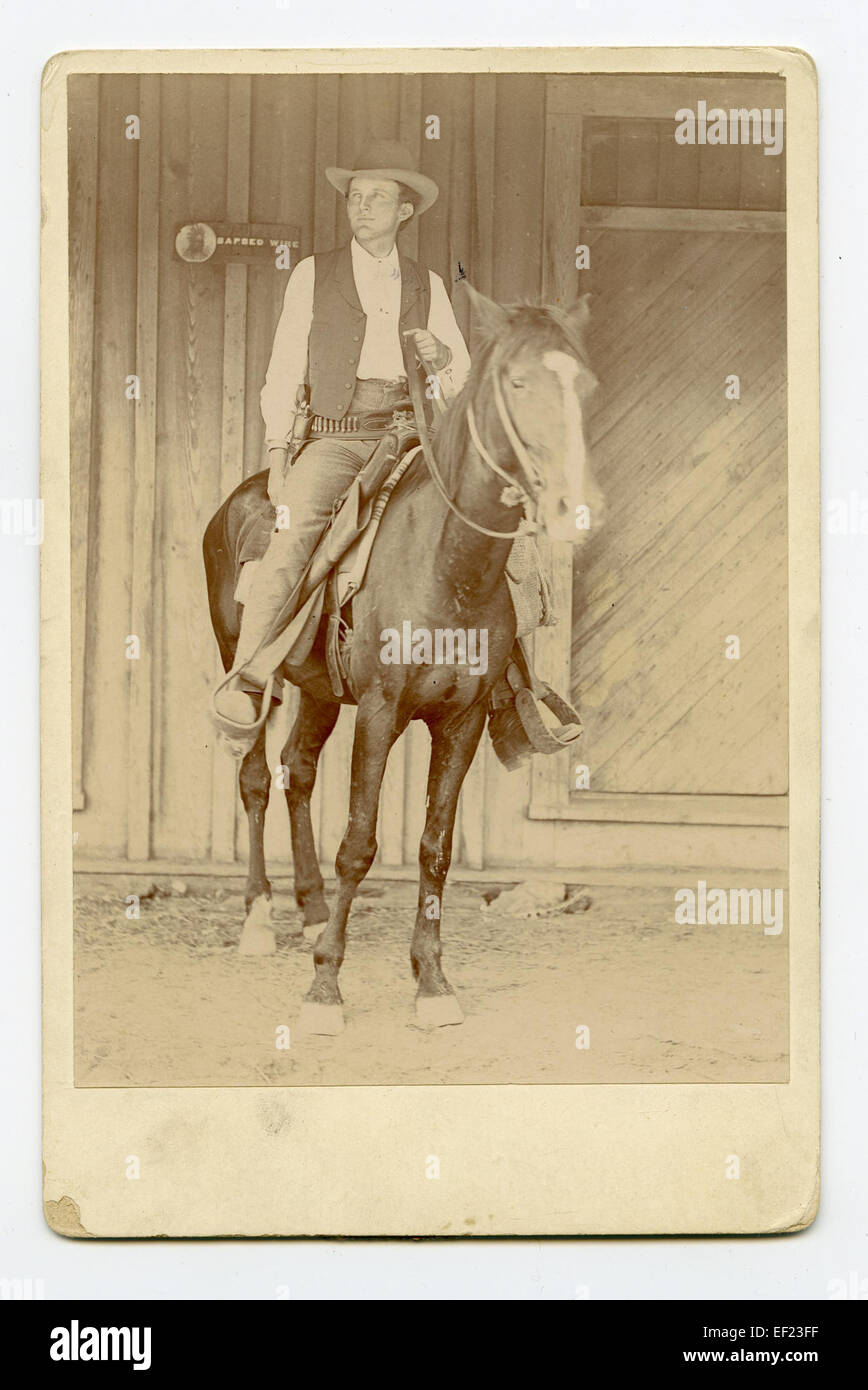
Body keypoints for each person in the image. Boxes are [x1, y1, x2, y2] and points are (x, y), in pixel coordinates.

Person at [212, 138, 470, 739]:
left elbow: (458, 378)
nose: (363, 207)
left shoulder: (429, 284)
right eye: (355, 197)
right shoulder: (313, 274)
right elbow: (283, 367)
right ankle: (248, 681)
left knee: (481, 521)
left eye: (378, 198)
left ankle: (513, 690)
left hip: (411, 439)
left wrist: (441, 355)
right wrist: (280, 454)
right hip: (337, 437)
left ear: (406, 211)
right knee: (294, 528)